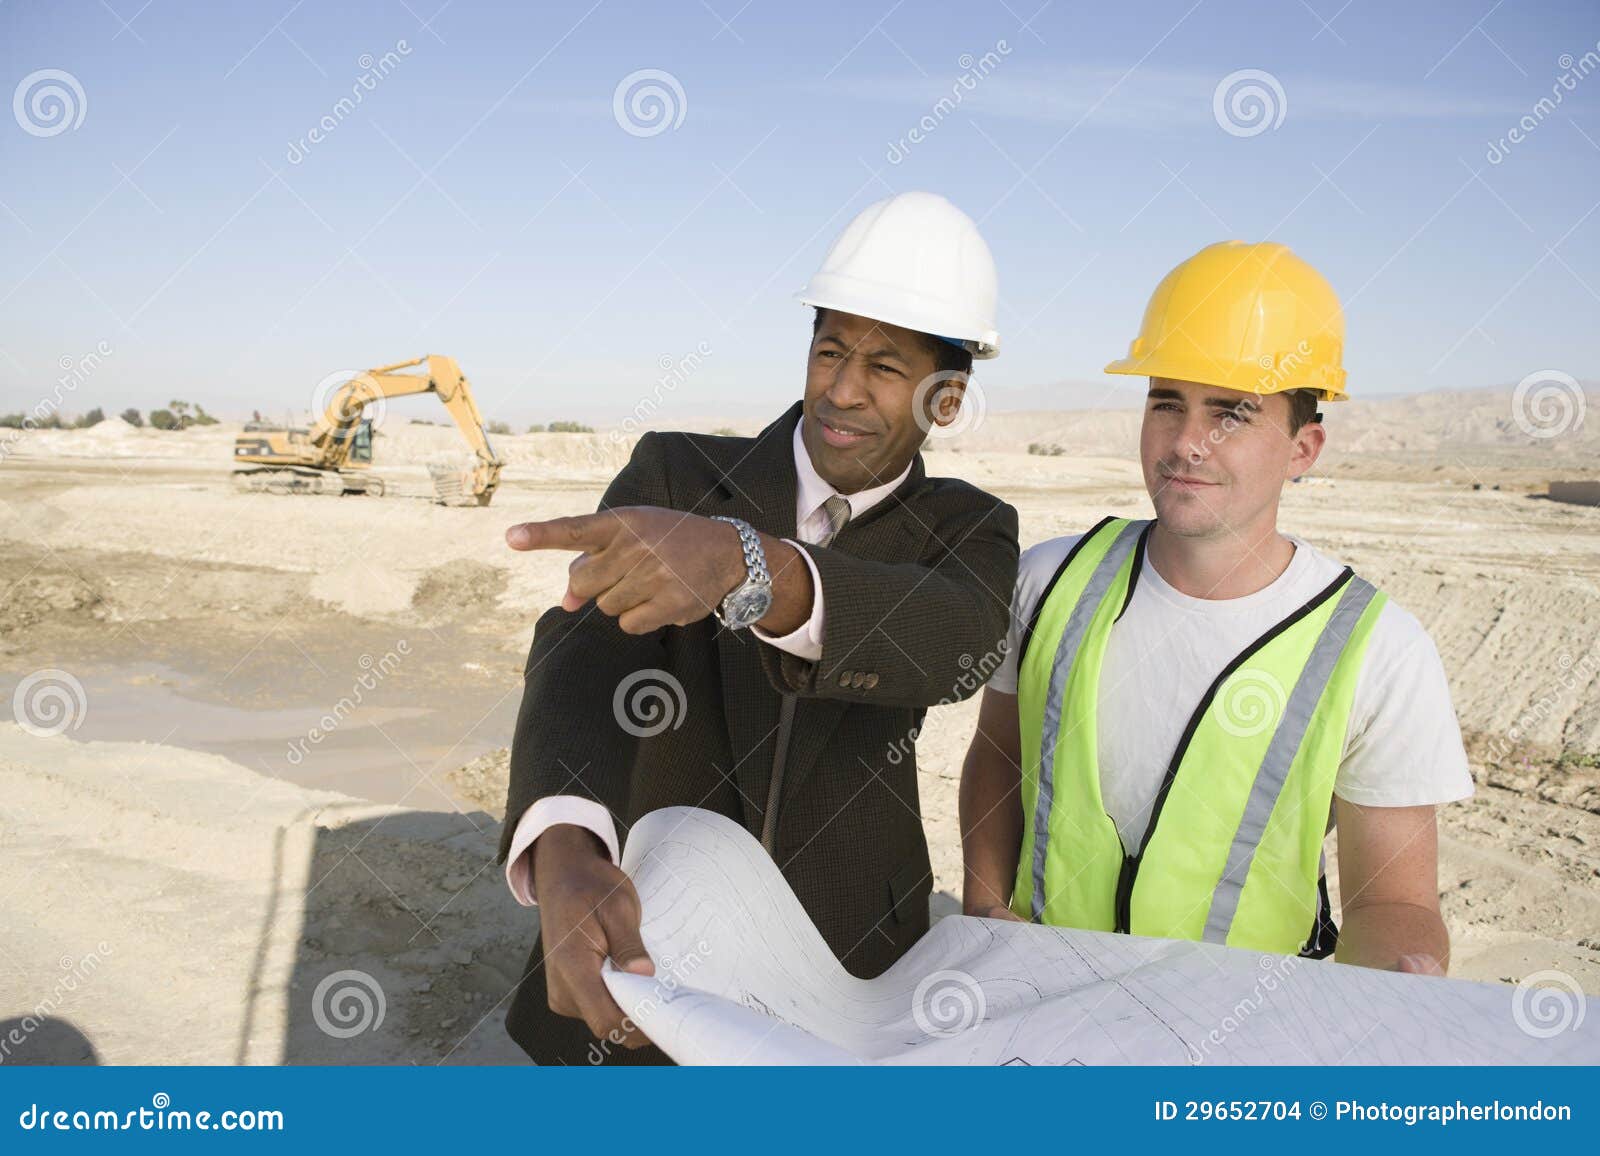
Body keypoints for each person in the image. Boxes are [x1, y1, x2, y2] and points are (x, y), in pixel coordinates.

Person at [498, 191, 1020, 1064]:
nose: (843, 389)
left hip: (850, 953)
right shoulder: (677, 472)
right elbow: (582, 657)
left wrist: (747, 567)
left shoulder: (969, 527)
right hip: (649, 922)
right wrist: (564, 838)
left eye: (885, 368)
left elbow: (956, 645)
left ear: (947, 399)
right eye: (830, 351)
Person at [960, 241, 1472, 974]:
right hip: (1043, 1005)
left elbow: (1395, 905)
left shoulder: (1379, 649)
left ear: (1304, 449)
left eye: (1232, 414)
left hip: (1242, 1048)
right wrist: (985, 912)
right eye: (1167, 403)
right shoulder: (1050, 580)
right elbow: (999, 755)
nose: (1187, 443)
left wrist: (1387, 1005)